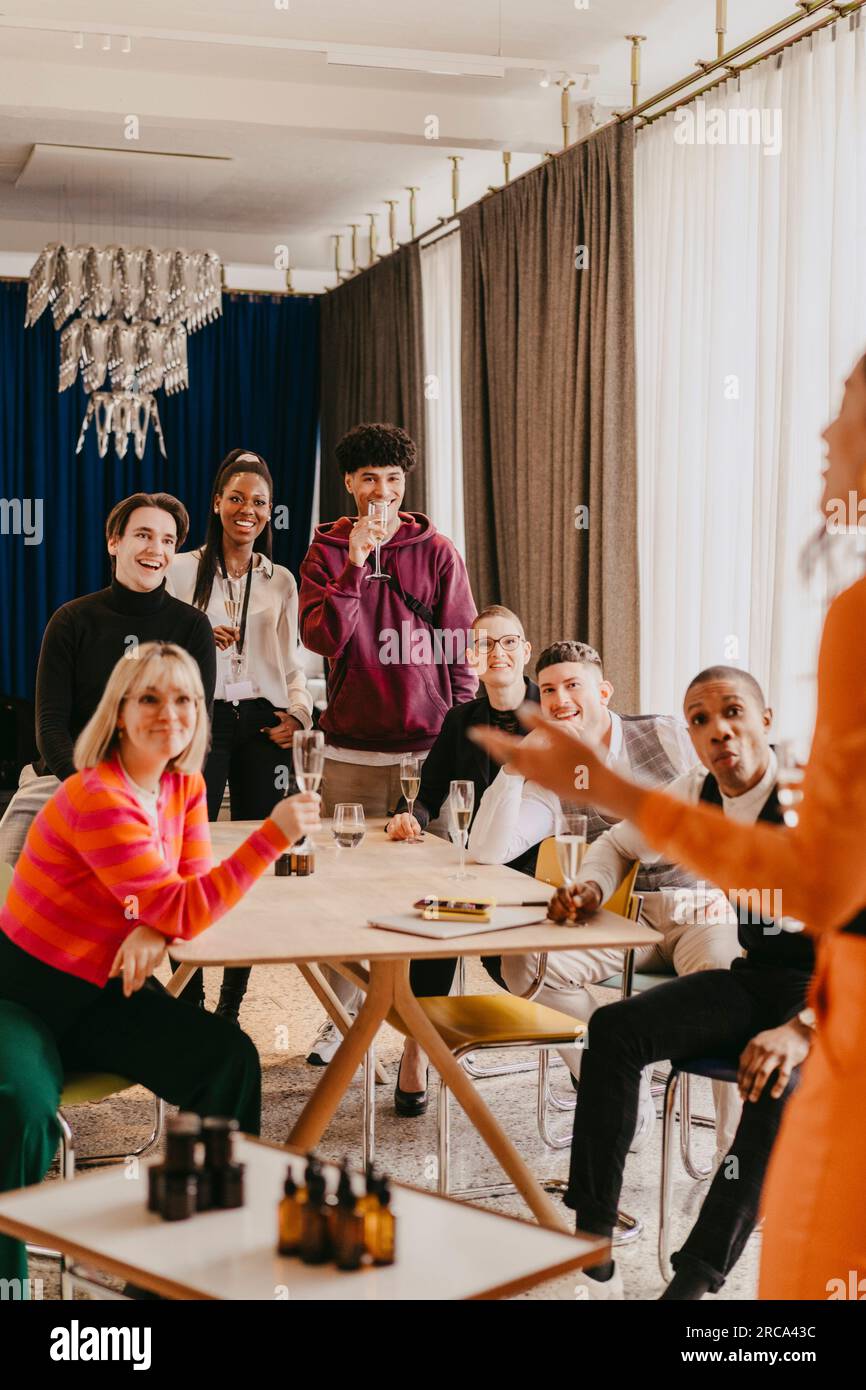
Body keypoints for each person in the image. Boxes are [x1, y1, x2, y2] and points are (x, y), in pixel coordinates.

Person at [468, 351, 866, 1302]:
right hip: (758, 978)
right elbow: (615, 840)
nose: (719, 731)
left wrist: (809, 1028)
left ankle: (694, 1283)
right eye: (700, 718)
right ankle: (592, 1232)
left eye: (733, 713)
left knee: (773, 1094)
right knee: (613, 1031)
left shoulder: (813, 789)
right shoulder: (692, 790)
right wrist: (591, 880)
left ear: (767, 720)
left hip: (831, 1001)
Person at [0, 641, 320, 1286]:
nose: (169, 713)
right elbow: (188, 904)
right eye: (150, 697)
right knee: (21, 1110)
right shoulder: (97, 795)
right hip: (21, 992)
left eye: (185, 699)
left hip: (100, 988)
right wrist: (273, 834)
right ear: (118, 713)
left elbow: (188, 891)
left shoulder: (183, 786)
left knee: (226, 1061)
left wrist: (153, 922)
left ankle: (188, 1271)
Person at [469, 640, 711, 1140]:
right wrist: (514, 768)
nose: (560, 701)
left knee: (726, 988)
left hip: (695, 907)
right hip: (624, 926)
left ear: (603, 691)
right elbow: (488, 850)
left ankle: (737, 1147)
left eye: (573, 685)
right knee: (523, 964)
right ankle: (614, 1075)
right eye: (551, 690)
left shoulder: (666, 733)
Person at [299, 423, 477, 1063]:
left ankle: (416, 1027)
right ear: (348, 484)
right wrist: (353, 565)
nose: (382, 493)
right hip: (348, 747)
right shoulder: (322, 553)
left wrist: (461, 735)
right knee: (343, 890)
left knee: (428, 891)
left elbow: (461, 647)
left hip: (424, 747)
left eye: (393, 481)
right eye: (369, 480)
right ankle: (344, 1015)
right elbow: (323, 641)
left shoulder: (437, 551)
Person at [168, 449, 313, 1023]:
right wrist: (200, 632)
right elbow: (159, 655)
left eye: (258, 502)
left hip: (261, 723)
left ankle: (231, 1003)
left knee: (256, 858)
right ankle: (190, 994)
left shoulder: (279, 579)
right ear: (216, 503)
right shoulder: (179, 570)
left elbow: (293, 663)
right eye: (237, 498)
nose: (247, 509)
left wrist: (299, 715)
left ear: (268, 511)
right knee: (190, 855)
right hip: (202, 720)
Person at [0, 494, 216, 877]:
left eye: (168, 540)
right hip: (66, 782)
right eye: (144, 535)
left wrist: (142, 795)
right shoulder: (71, 621)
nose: (157, 549)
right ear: (114, 542)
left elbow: (196, 729)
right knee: (13, 887)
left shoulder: (192, 627)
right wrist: (95, 792)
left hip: (154, 791)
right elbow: (50, 729)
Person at [384, 603, 540, 1116]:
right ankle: (417, 1045)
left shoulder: (551, 709)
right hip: (474, 866)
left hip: (537, 868)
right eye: (485, 644)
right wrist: (409, 815)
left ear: (526, 650)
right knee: (436, 909)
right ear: (471, 656)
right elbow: (426, 793)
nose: (497, 652)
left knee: (452, 901)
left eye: (508, 642)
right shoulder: (461, 718)